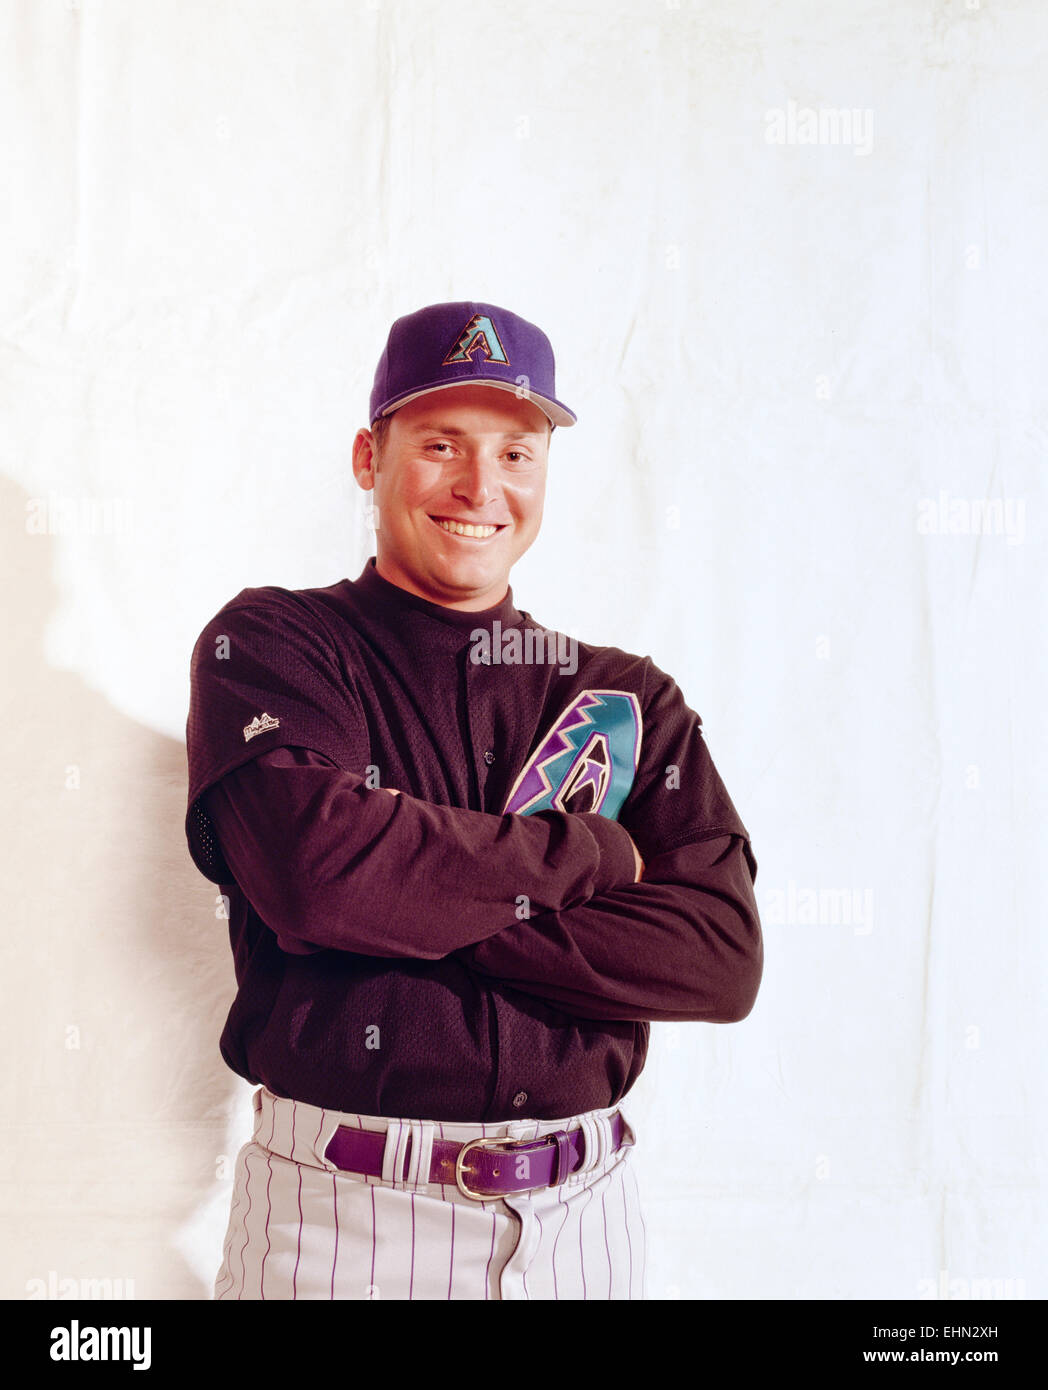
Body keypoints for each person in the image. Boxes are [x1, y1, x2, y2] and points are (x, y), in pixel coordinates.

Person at [184, 300, 763, 1301]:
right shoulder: (274, 646)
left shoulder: (624, 696)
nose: (479, 487)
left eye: (515, 453)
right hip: (343, 1219)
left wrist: (402, 901)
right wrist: (591, 856)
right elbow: (318, 882)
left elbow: (718, 957)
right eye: (441, 443)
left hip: (584, 1221)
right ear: (369, 456)